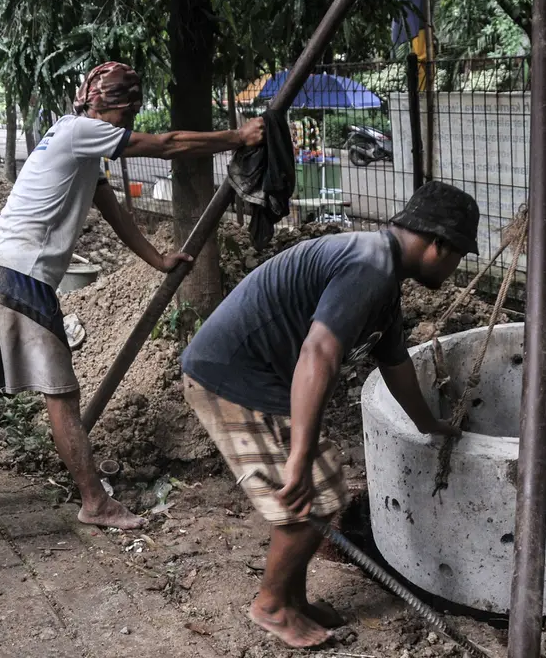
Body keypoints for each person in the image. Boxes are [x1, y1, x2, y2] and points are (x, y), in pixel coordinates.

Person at [0, 61, 265, 529]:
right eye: (129, 110)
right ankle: (95, 502)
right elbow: (168, 146)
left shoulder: (70, 138)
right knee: (62, 396)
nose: (129, 121)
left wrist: (158, 260)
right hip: (21, 278)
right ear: (119, 107)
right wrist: (238, 138)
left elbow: (112, 211)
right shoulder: (83, 132)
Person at [179, 181, 475, 648]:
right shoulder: (369, 267)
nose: (457, 269)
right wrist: (297, 455)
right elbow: (319, 352)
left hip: (258, 377)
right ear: (438, 244)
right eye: (459, 256)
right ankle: (272, 606)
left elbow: (394, 363)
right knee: (313, 488)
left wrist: (429, 424)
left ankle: (291, 600)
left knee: (319, 487)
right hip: (231, 376)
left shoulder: (384, 276)